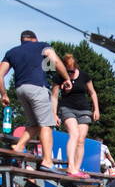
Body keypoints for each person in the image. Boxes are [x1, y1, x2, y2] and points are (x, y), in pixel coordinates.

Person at [0, 31, 72, 170]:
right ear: (35, 39)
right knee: (47, 125)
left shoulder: (12, 52)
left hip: (20, 90)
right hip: (37, 88)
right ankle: (47, 161)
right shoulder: (42, 46)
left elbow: (0, 74)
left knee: (34, 124)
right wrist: (66, 78)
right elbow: (55, 61)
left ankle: (19, 146)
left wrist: (4, 94)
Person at [51, 53, 98, 177]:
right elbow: (54, 96)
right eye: (68, 71)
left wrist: (96, 109)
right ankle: (70, 167)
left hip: (84, 109)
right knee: (74, 134)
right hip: (67, 108)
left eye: (72, 70)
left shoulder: (84, 76)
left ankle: (76, 169)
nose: (70, 73)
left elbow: (92, 93)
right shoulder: (59, 77)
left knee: (81, 140)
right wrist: (54, 114)